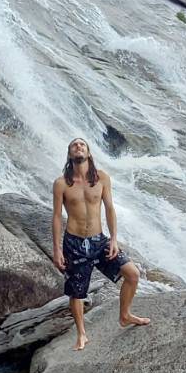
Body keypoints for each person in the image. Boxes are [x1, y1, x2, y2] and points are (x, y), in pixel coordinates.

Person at [51, 137, 150, 350]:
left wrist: (113, 239)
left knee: (132, 274)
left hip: (99, 240)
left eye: (82, 144)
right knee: (76, 292)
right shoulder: (61, 184)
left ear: (89, 153)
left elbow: (110, 209)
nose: (78, 146)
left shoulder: (102, 178)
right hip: (74, 243)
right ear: (70, 155)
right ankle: (82, 334)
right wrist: (57, 249)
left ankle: (125, 315)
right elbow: (57, 217)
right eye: (74, 145)